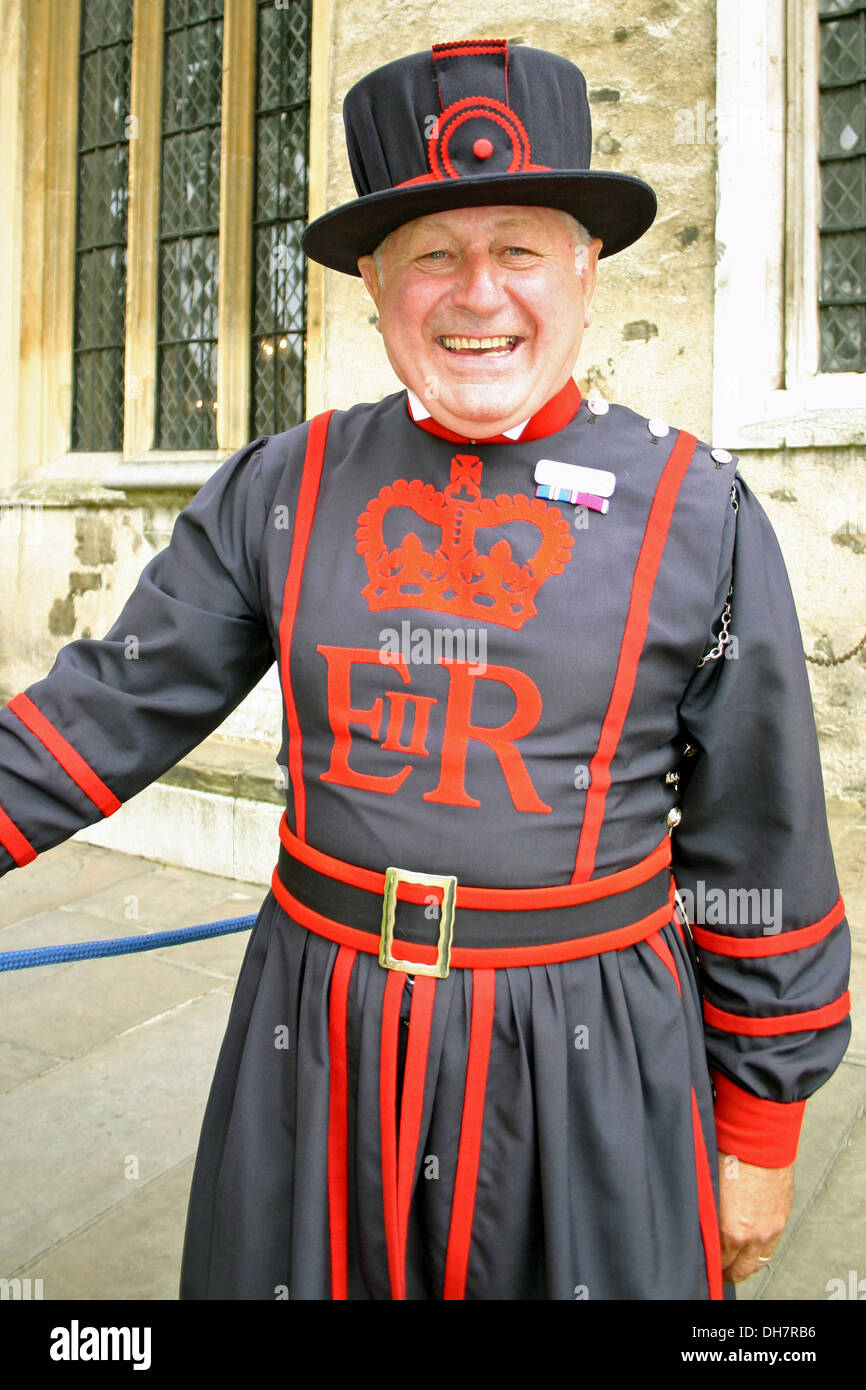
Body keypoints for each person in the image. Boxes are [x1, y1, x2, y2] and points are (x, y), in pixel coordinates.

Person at [0, 40, 851, 1301]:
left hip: (589, 1050)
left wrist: (759, 1131)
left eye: (517, 249)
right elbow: (102, 707)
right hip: (320, 1038)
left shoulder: (697, 511)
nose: (478, 294)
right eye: (432, 255)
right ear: (373, 284)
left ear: (583, 267)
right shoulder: (279, 488)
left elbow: (758, 842)